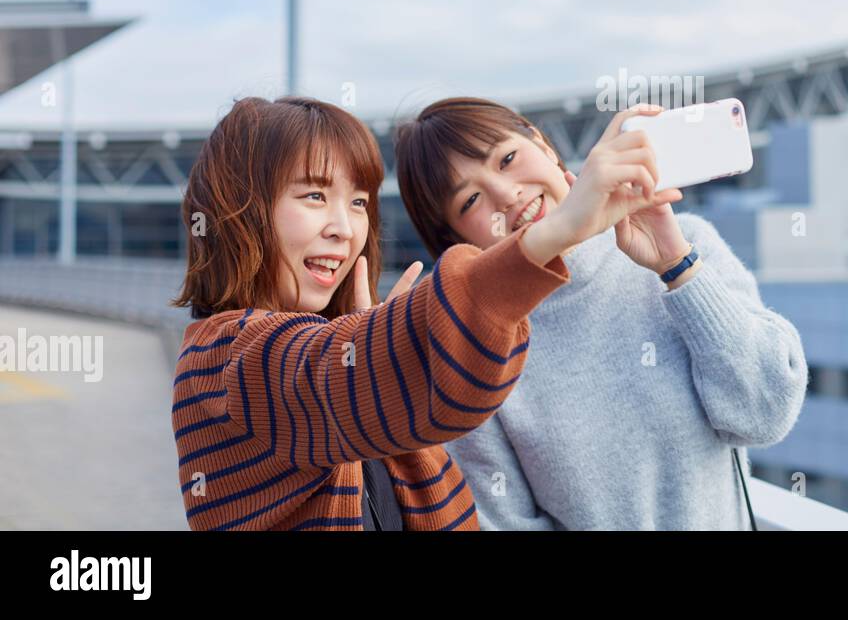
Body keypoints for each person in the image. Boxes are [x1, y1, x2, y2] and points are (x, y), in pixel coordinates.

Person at [170, 95, 674, 530]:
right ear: (242, 211)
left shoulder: (334, 361)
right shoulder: (222, 361)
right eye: (315, 196)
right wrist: (557, 230)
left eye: (359, 203)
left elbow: (430, 407)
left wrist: (374, 341)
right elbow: (314, 376)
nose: (344, 229)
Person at [394, 97, 809, 529]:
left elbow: (766, 414)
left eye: (508, 158)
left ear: (543, 144)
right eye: (470, 200)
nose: (506, 194)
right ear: (455, 240)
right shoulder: (475, 350)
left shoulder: (686, 240)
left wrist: (678, 267)